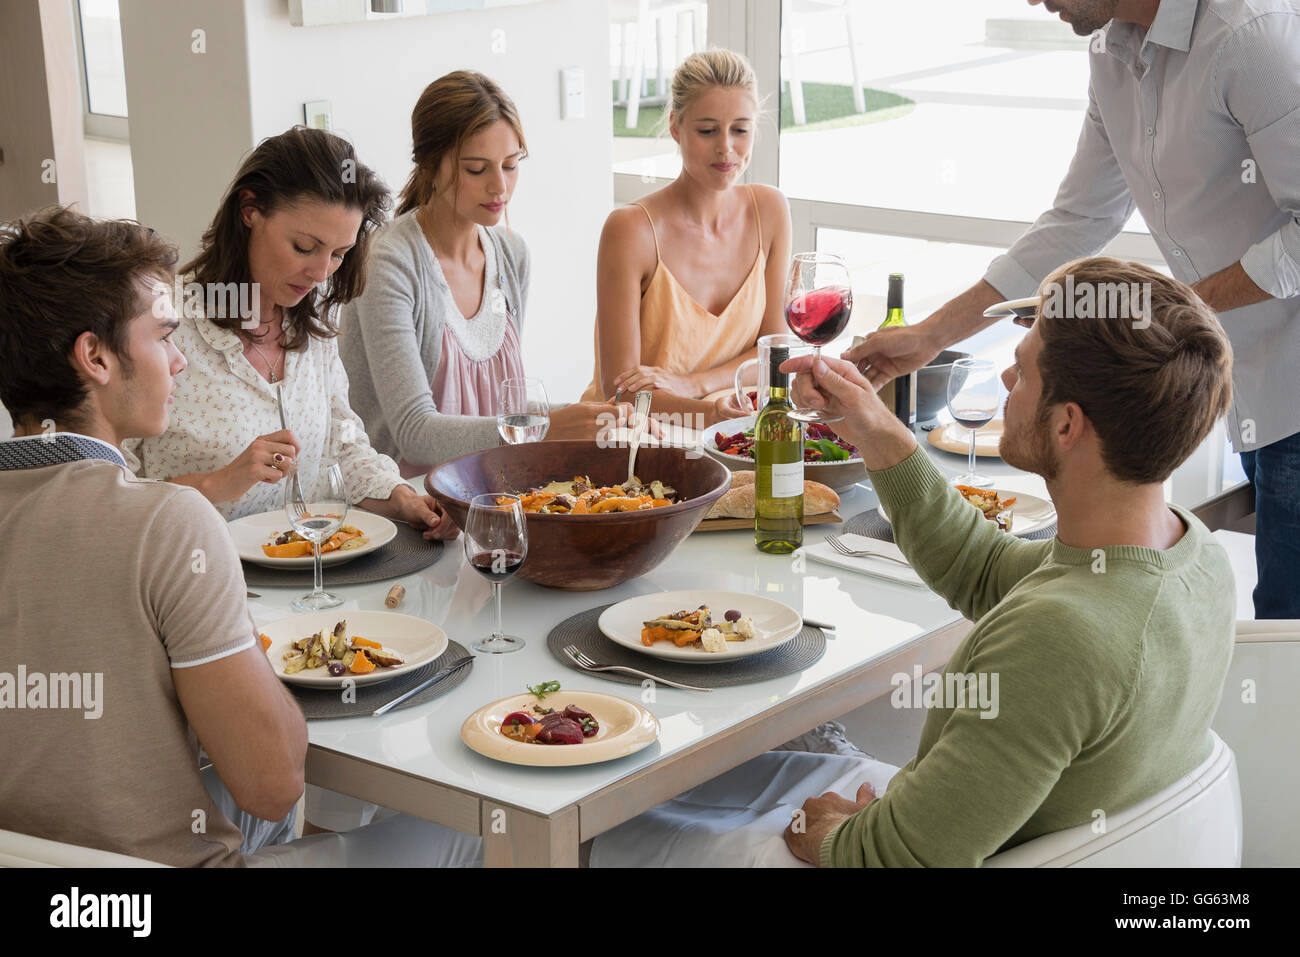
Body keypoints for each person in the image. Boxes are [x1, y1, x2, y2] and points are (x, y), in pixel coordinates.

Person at [591, 258, 1237, 867]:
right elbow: (987, 572)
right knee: (719, 783)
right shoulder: (1193, 557)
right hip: (985, 830)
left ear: (1068, 425)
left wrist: (825, 833)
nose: (1006, 380)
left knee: (610, 838)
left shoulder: (1060, 640)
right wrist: (875, 427)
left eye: (1022, 370)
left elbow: (898, 857)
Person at [0, 206, 481, 866]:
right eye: (163, 336)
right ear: (96, 357)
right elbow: (275, 784)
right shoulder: (165, 523)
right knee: (471, 827)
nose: (179, 361)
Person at [848, 0, 1300, 619]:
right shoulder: (1113, 56)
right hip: (1252, 385)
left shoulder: (1252, 35)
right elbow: (1079, 218)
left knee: (1289, 640)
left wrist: (1170, 312)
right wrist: (929, 336)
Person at [122, 126, 458, 540]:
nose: (319, 274)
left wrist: (401, 497)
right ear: (250, 210)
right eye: (304, 247)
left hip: (310, 576)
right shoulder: (164, 322)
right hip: (197, 578)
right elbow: (111, 496)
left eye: (338, 254)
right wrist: (218, 483)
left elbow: (343, 444)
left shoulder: (312, 328)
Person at [339, 71, 642, 475]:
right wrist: (551, 426)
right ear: (430, 166)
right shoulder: (388, 263)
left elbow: (499, 411)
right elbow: (416, 433)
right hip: (403, 504)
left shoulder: (511, 255)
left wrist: (582, 417)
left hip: (488, 487)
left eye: (511, 165)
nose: (499, 187)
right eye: (477, 169)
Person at [581, 48, 791, 423]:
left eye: (740, 130)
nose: (726, 147)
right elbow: (622, 391)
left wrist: (694, 385)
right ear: (676, 127)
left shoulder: (770, 211)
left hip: (732, 431)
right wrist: (709, 412)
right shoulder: (631, 229)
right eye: (707, 130)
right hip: (630, 437)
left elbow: (774, 355)